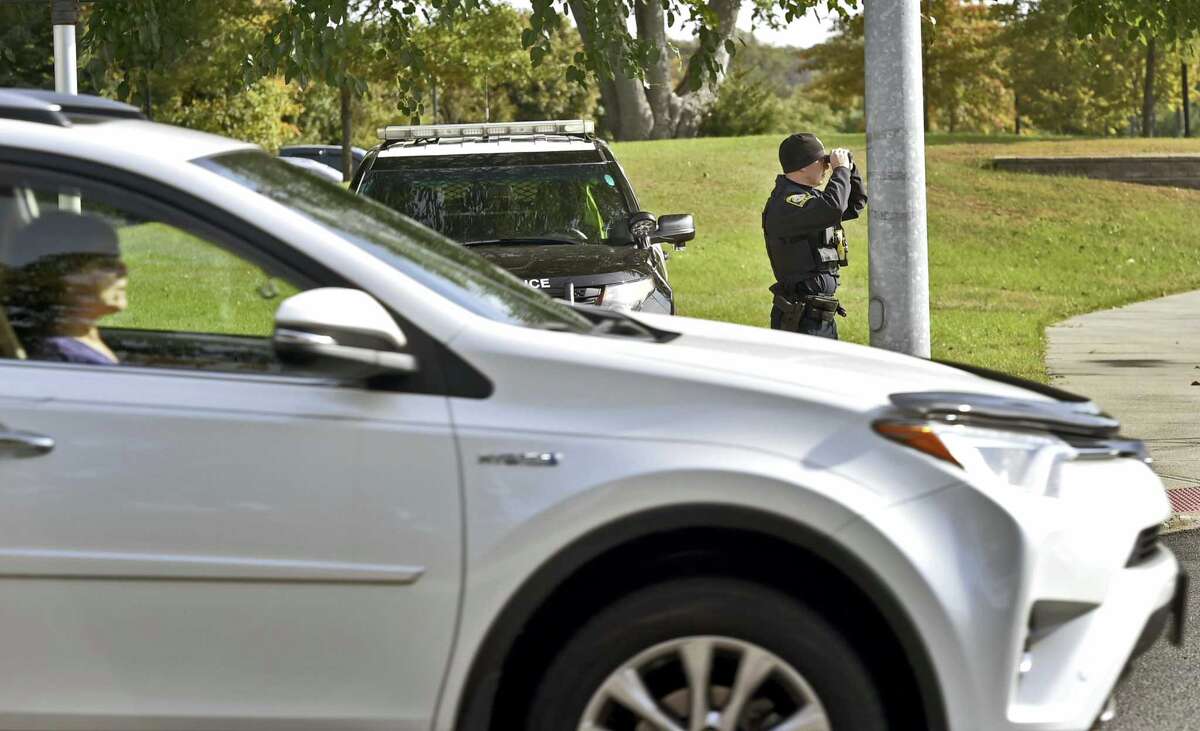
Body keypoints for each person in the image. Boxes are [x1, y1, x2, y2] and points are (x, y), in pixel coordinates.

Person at [762, 132, 867, 339]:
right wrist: (840, 170)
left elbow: (855, 204)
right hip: (800, 318)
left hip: (818, 317)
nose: (827, 167)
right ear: (803, 166)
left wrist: (849, 168)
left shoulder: (811, 199)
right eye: (822, 161)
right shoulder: (787, 203)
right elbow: (833, 208)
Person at [1, 212, 127, 364]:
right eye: (107, 264)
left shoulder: (78, 340)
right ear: (63, 277)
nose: (123, 269)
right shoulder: (66, 360)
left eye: (117, 258)